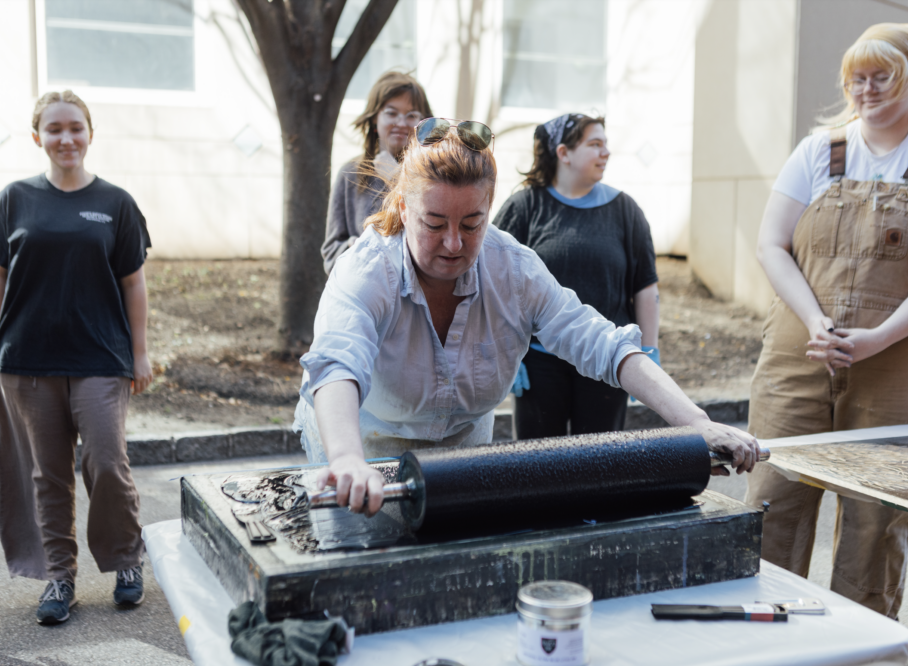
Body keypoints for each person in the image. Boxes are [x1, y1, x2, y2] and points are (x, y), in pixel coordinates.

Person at [294, 117, 763, 516]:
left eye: (472, 223)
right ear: (402, 206)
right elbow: (338, 362)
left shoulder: (514, 268)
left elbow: (600, 341)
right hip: (361, 439)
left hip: (459, 450)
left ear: (490, 210)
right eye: (434, 224)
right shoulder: (366, 268)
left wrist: (695, 422)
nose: (454, 244)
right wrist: (349, 459)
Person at [746, 23, 908, 621]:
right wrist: (814, 318)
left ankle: (860, 643)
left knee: (878, 512)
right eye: (857, 78)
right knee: (774, 495)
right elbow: (772, 244)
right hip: (802, 353)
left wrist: (877, 339)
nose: (866, 90)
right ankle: (770, 631)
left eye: (882, 77)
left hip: (901, 363)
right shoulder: (817, 151)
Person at [0, 91, 154, 625]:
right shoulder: (14, 200)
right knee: (46, 474)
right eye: (54, 129)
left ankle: (125, 560)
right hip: (27, 361)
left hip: (100, 354)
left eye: (75, 127)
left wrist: (139, 353)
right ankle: (59, 575)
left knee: (105, 460)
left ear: (90, 133)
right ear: (38, 138)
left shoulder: (117, 203)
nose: (66, 138)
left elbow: (133, 283)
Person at [494, 114, 659, 439]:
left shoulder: (625, 211)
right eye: (594, 144)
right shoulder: (524, 207)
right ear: (563, 153)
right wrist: (506, 355)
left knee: (600, 467)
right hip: (539, 364)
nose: (606, 152)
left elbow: (645, 288)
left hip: (607, 361)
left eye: (606, 144)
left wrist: (648, 353)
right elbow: (494, 283)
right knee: (537, 467)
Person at [321, 71, 433, 274]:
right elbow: (330, 254)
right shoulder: (350, 174)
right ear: (374, 119)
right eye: (391, 113)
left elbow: (430, 238)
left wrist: (395, 177)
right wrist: (354, 247)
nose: (401, 123)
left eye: (411, 115)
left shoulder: (434, 174)